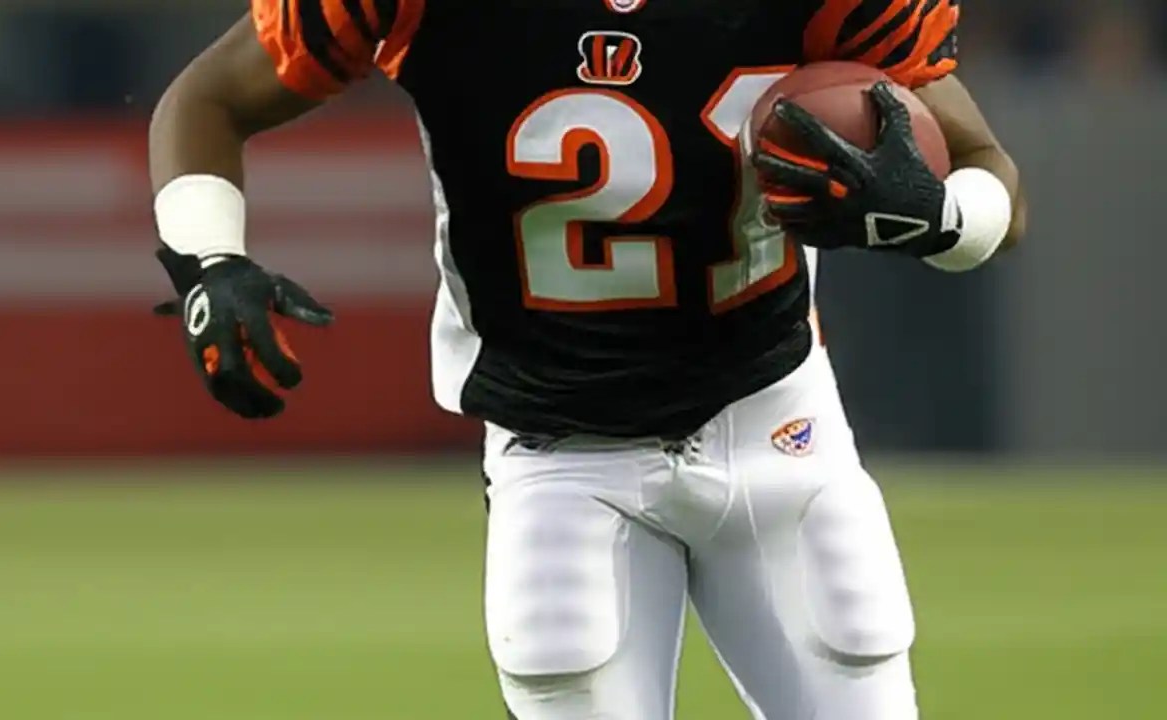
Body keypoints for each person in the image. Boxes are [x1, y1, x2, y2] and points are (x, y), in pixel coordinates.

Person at [148, 0, 1026, 717]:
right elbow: (207, 100)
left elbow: (990, 172)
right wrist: (209, 259)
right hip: (562, 452)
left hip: (771, 423)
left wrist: (942, 216)